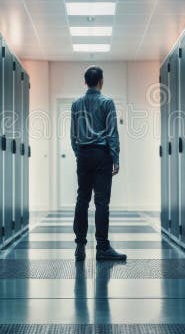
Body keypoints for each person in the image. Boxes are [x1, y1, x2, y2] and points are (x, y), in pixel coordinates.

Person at [70, 66, 126, 261]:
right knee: (101, 202)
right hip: (102, 155)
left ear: (85, 82)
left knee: (82, 199)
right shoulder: (107, 103)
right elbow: (112, 132)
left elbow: (73, 135)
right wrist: (115, 157)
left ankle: (79, 246)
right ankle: (102, 248)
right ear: (101, 81)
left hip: (84, 155)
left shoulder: (76, 104)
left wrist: (80, 154)